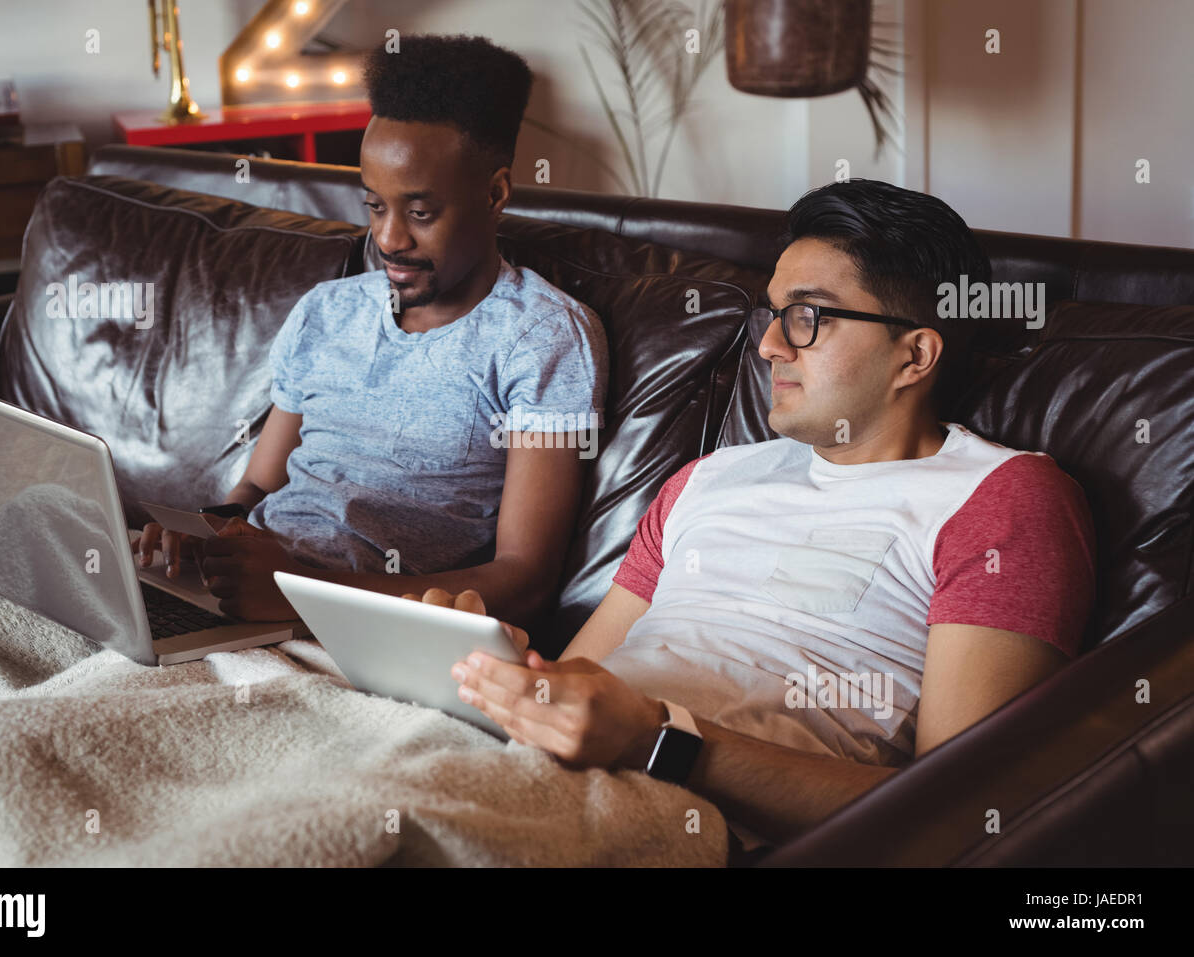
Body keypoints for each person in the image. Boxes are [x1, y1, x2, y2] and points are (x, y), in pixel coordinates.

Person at [415, 179, 1097, 855]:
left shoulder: (1001, 496)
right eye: (772, 315)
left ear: (913, 355)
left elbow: (957, 809)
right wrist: (490, 671)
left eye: (806, 317)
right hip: (530, 770)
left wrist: (663, 739)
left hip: (670, 817)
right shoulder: (705, 479)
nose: (770, 345)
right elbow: (570, 681)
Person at [132, 34, 608, 624]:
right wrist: (193, 542)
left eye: (420, 213)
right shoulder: (326, 311)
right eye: (375, 206)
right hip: (241, 600)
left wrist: (303, 596)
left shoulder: (542, 336)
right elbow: (253, 490)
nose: (388, 240)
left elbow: (524, 581)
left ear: (494, 194)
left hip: (356, 630)